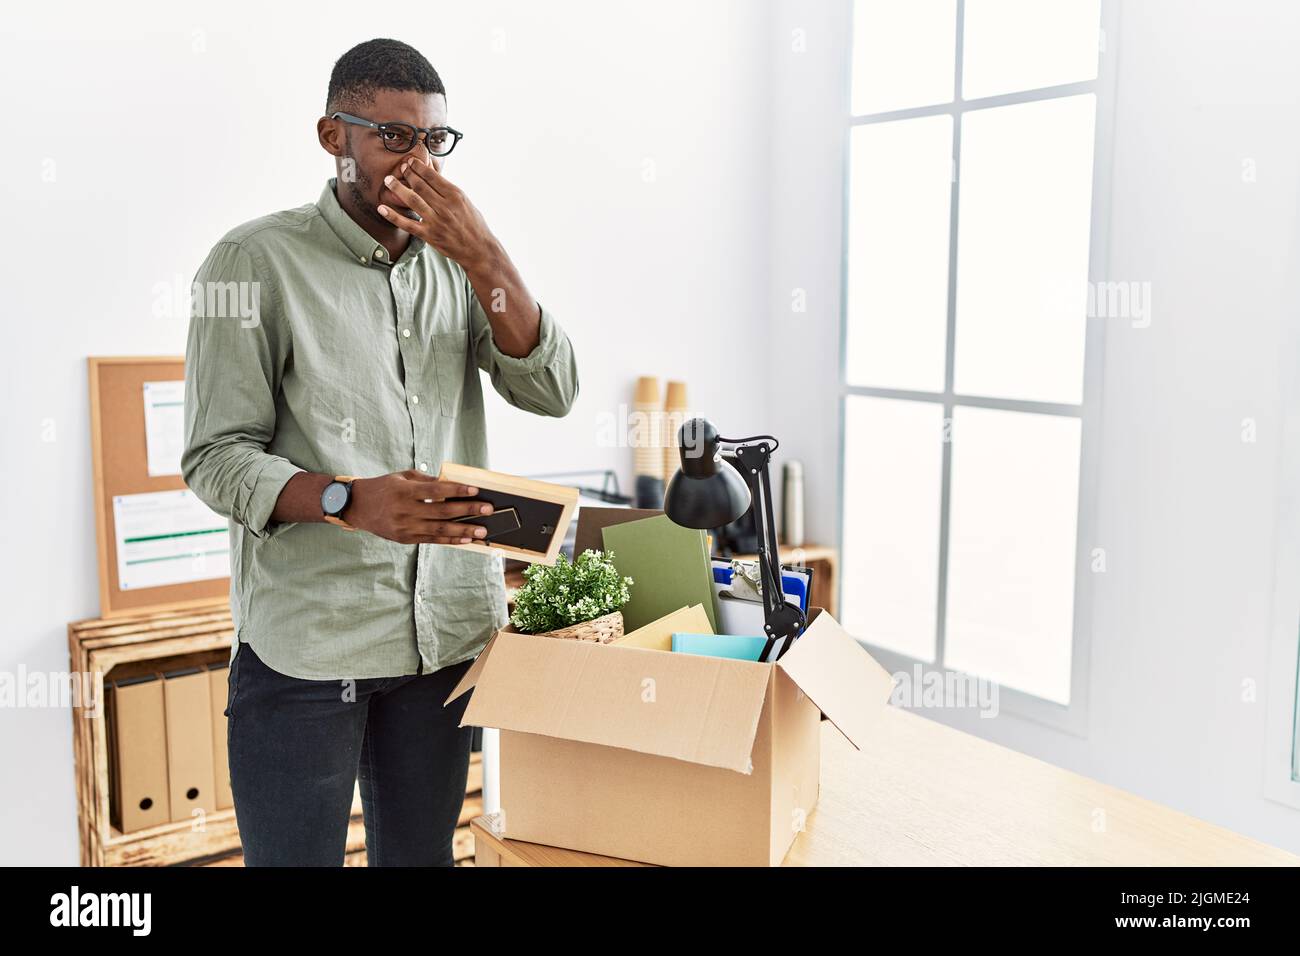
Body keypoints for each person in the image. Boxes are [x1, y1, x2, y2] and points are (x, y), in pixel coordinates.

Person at [181, 37, 579, 866]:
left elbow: (552, 390)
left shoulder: (458, 266)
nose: (419, 162)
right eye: (394, 137)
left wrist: (483, 253)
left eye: (435, 140)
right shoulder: (253, 262)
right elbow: (215, 457)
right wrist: (347, 500)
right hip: (309, 648)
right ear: (335, 137)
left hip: (447, 638)